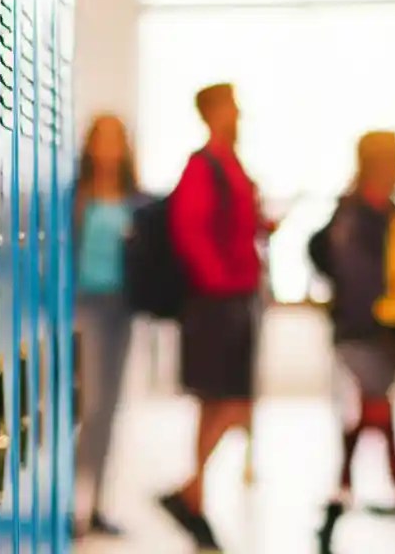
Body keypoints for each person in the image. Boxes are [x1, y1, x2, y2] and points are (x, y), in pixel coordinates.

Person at [311, 132, 395, 554]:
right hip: (362, 335)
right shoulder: (355, 219)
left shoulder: (389, 214)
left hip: (381, 336)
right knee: (379, 417)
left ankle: (336, 513)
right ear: (375, 164)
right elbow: (361, 282)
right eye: (391, 160)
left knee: (372, 422)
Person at [159, 83, 271, 549]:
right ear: (212, 112)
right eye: (231, 107)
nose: (238, 114)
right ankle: (189, 490)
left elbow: (235, 225)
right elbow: (189, 231)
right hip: (217, 302)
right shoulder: (203, 166)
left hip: (234, 296)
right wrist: (221, 280)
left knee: (216, 402)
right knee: (231, 401)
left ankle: (195, 494)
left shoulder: (231, 165)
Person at [71, 114, 146, 539]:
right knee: (90, 405)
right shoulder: (77, 197)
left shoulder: (135, 198)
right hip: (85, 306)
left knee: (111, 409)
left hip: (122, 307)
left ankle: (96, 504)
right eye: (101, 139)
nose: (109, 148)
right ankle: (74, 501)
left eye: (116, 139)